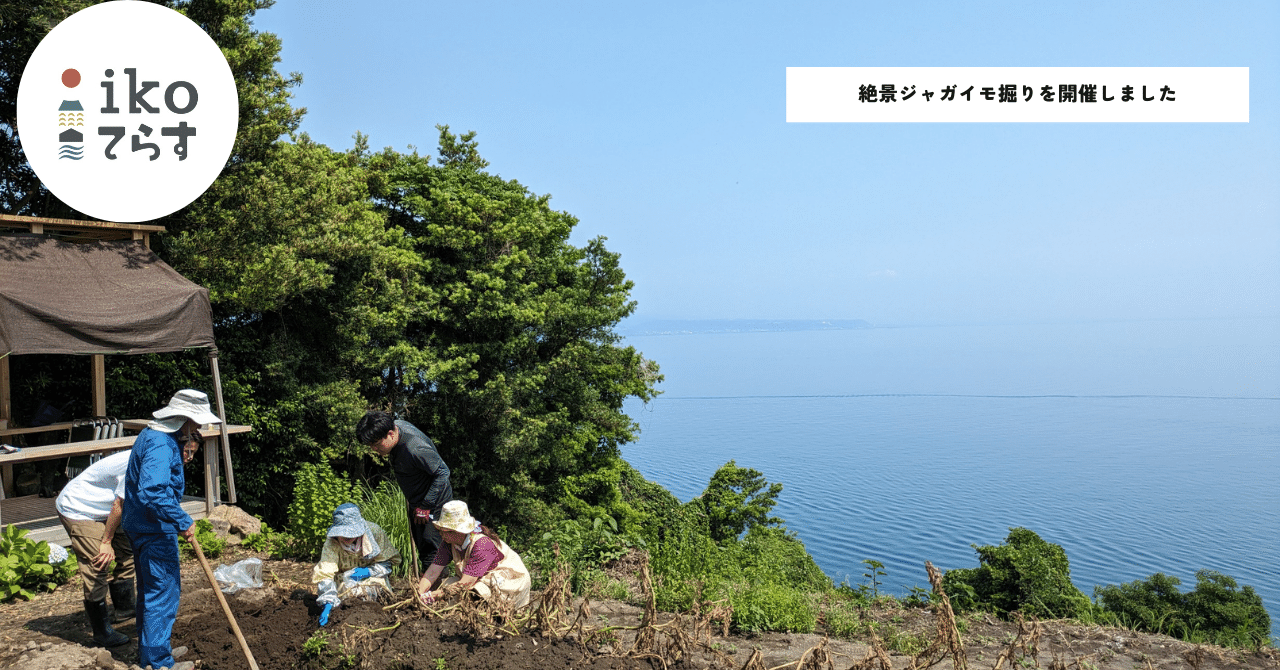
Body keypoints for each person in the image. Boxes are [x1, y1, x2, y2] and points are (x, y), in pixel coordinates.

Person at [123, 389, 220, 670]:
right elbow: (153, 491)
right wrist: (182, 520)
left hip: (140, 524)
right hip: (154, 528)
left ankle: (153, 650)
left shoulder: (152, 435)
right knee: (163, 593)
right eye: (196, 422)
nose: (199, 428)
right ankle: (158, 662)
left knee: (149, 592)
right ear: (185, 419)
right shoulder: (162, 445)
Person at [355, 411, 452, 567]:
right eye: (370, 445)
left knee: (431, 547)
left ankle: (434, 589)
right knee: (422, 546)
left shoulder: (415, 447)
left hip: (433, 501)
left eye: (377, 444)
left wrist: (426, 506)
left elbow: (443, 473)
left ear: (391, 434)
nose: (373, 449)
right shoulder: (395, 428)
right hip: (417, 499)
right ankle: (429, 584)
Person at [416, 500, 531, 609]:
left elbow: (466, 583)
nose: (441, 534)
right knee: (448, 584)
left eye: (445, 530)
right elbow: (432, 572)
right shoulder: (448, 543)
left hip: (508, 580)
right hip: (480, 577)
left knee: (476, 592)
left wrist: (433, 596)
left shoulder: (482, 544)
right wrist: (419, 593)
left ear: (458, 531)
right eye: (440, 530)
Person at [312, 503, 402, 626]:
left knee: (374, 595)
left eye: (350, 533)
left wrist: (369, 571)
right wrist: (328, 603)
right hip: (344, 583)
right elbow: (325, 573)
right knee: (347, 602)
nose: (346, 537)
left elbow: (388, 562)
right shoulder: (332, 542)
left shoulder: (374, 533)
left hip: (373, 579)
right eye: (342, 533)